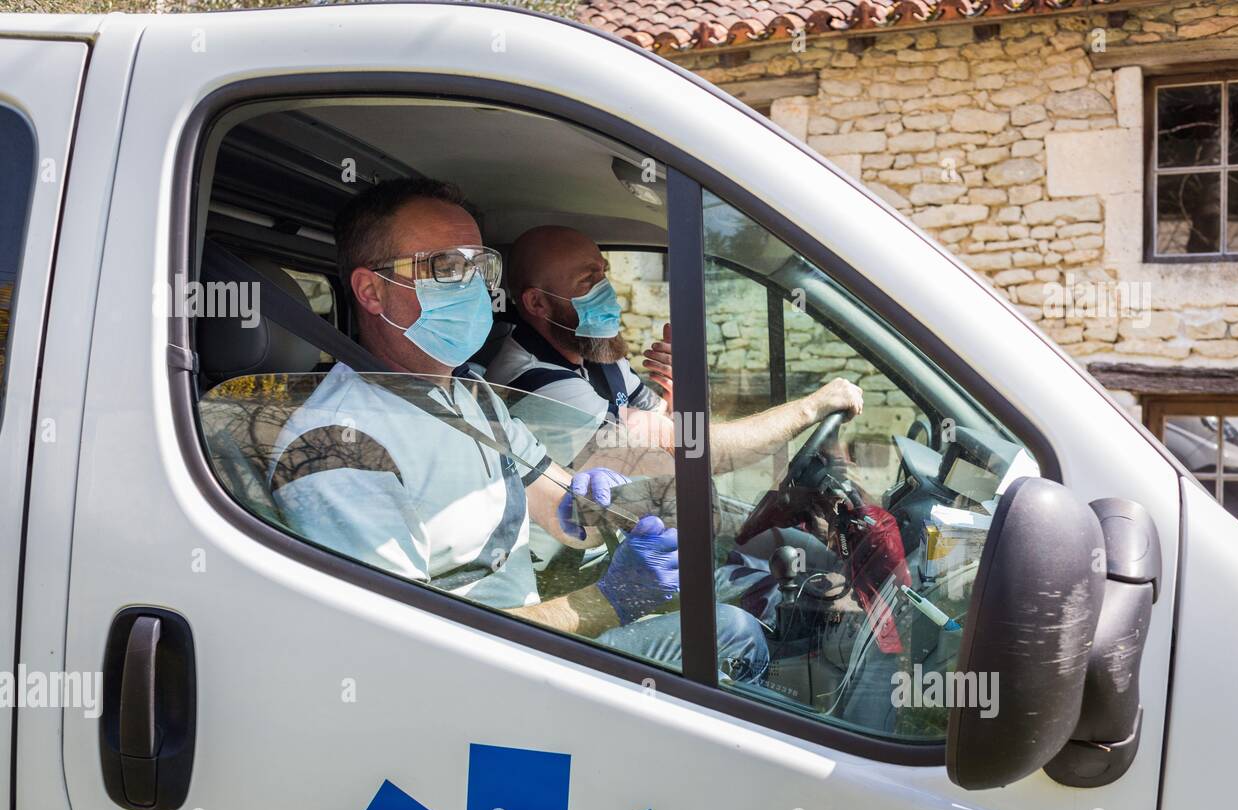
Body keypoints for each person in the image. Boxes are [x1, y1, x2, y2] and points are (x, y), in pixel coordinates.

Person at [266, 177, 767, 681]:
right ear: (372, 291)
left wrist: (593, 506)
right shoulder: (337, 445)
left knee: (735, 624)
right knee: (732, 632)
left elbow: (559, 505)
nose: (475, 285)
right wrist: (609, 601)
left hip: (529, 648)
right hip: (487, 685)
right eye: (446, 267)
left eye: (479, 265)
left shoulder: (473, 396)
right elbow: (407, 659)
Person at [485, 225, 865, 474]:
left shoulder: (598, 355)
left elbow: (670, 430)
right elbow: (693, 457)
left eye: (604, 273)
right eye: (588, 281)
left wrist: (676, 392)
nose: (608, 291)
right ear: (537, 303)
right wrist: (809, 407)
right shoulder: (533, 384)